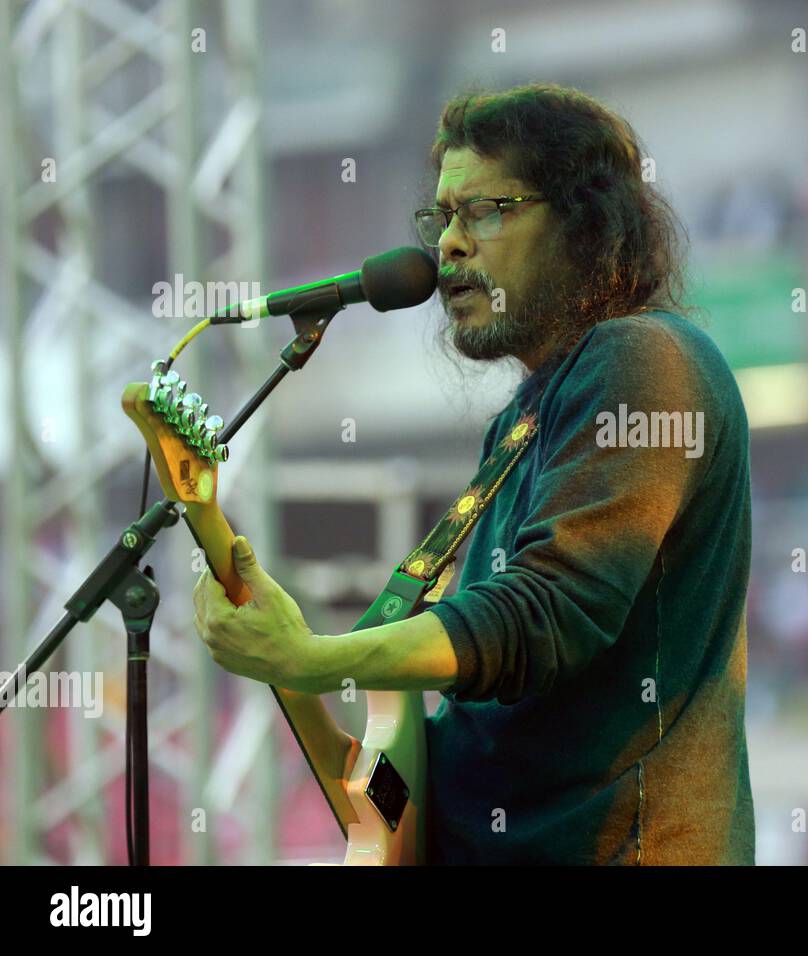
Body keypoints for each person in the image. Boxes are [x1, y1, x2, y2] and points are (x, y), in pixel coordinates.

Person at [193, 83, 755, 865]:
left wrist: (314, 660)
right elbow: (464, 753)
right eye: (442, 218)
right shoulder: (522, 423)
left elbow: (548, 613)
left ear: (583, 224)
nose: (449, 246)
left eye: (485, 210)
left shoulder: (646, 359)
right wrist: (299, 673)